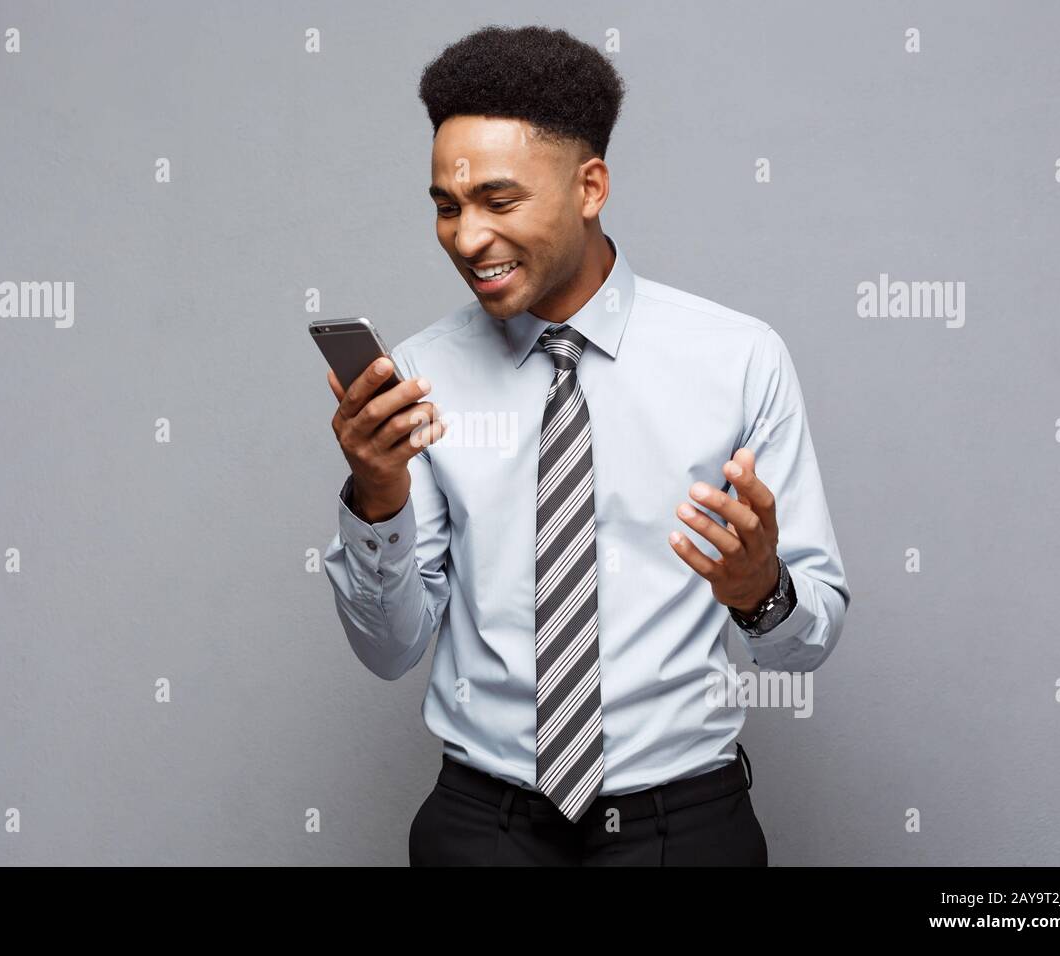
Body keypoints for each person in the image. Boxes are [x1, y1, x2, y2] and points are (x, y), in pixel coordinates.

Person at [321, 24, 851, 866]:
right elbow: (388, 651)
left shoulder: (740, 359)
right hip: (480, 833)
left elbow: (808, 642)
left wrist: (759, 590)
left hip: (686, 833)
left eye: (499, 202)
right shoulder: (419, 374)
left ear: (590, 186)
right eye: (447, 207)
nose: (466, 239)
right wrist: (377, 498)